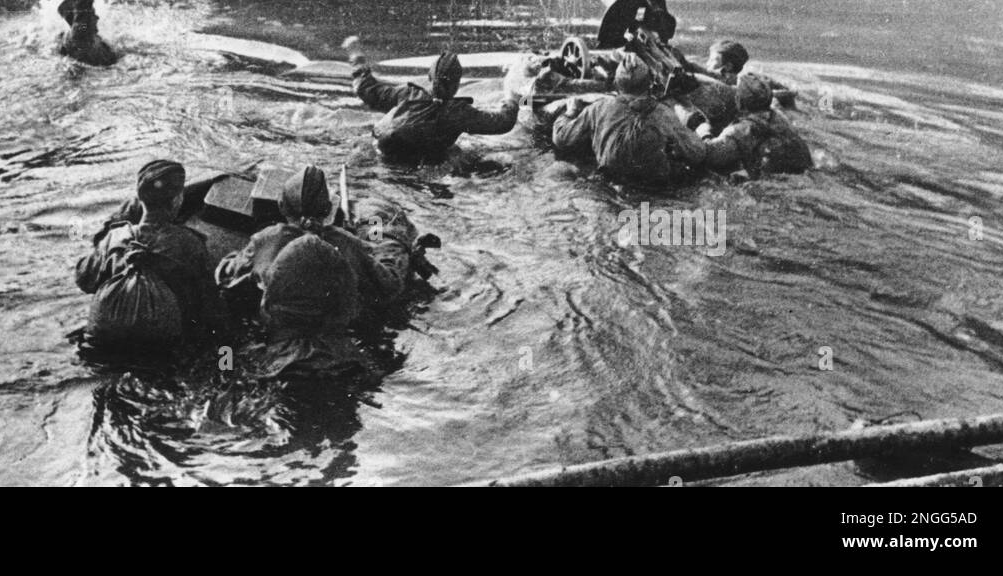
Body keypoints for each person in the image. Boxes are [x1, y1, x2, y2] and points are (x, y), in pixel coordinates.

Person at [215, 166, 408, 376]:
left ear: (281, 206)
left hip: (277, 335)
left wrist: (232, 259)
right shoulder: (347, 242)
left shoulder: (265, 239)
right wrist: (385, 243)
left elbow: (227, 275)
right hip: (334, 336)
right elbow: (389, 284)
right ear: (327, 209)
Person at [76, 160, 229, 348]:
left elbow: (84, 280)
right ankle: (226, 362)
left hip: (104, 344)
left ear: (139, 199)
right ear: (177, 200)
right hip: (161, 348)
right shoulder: (189, 244)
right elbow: (210, 308)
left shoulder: (114, 237)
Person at [544, 54, 737, 186]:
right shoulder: (662, 113)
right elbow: (697, 153)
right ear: (649, 84)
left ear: (617, 84)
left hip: (610, 181)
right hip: (653, 187)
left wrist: (569, 112)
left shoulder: (599, 107)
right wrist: (701, 130)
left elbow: (561, 138)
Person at [345, 37, 520, 159]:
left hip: (380, 148)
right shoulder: (458, 112)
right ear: (457, 84)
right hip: (420, 161)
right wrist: (512, 97)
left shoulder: (407, 93)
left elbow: (366, 90)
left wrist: (357, 58)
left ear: (429, 77)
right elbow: (503, 123)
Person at [709, 73, 813, 176]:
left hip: (771, 181)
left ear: (739, 101)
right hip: (804, 170)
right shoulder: (779, 115)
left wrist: (704, 129)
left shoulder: (739, 130)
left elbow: (711, 156)